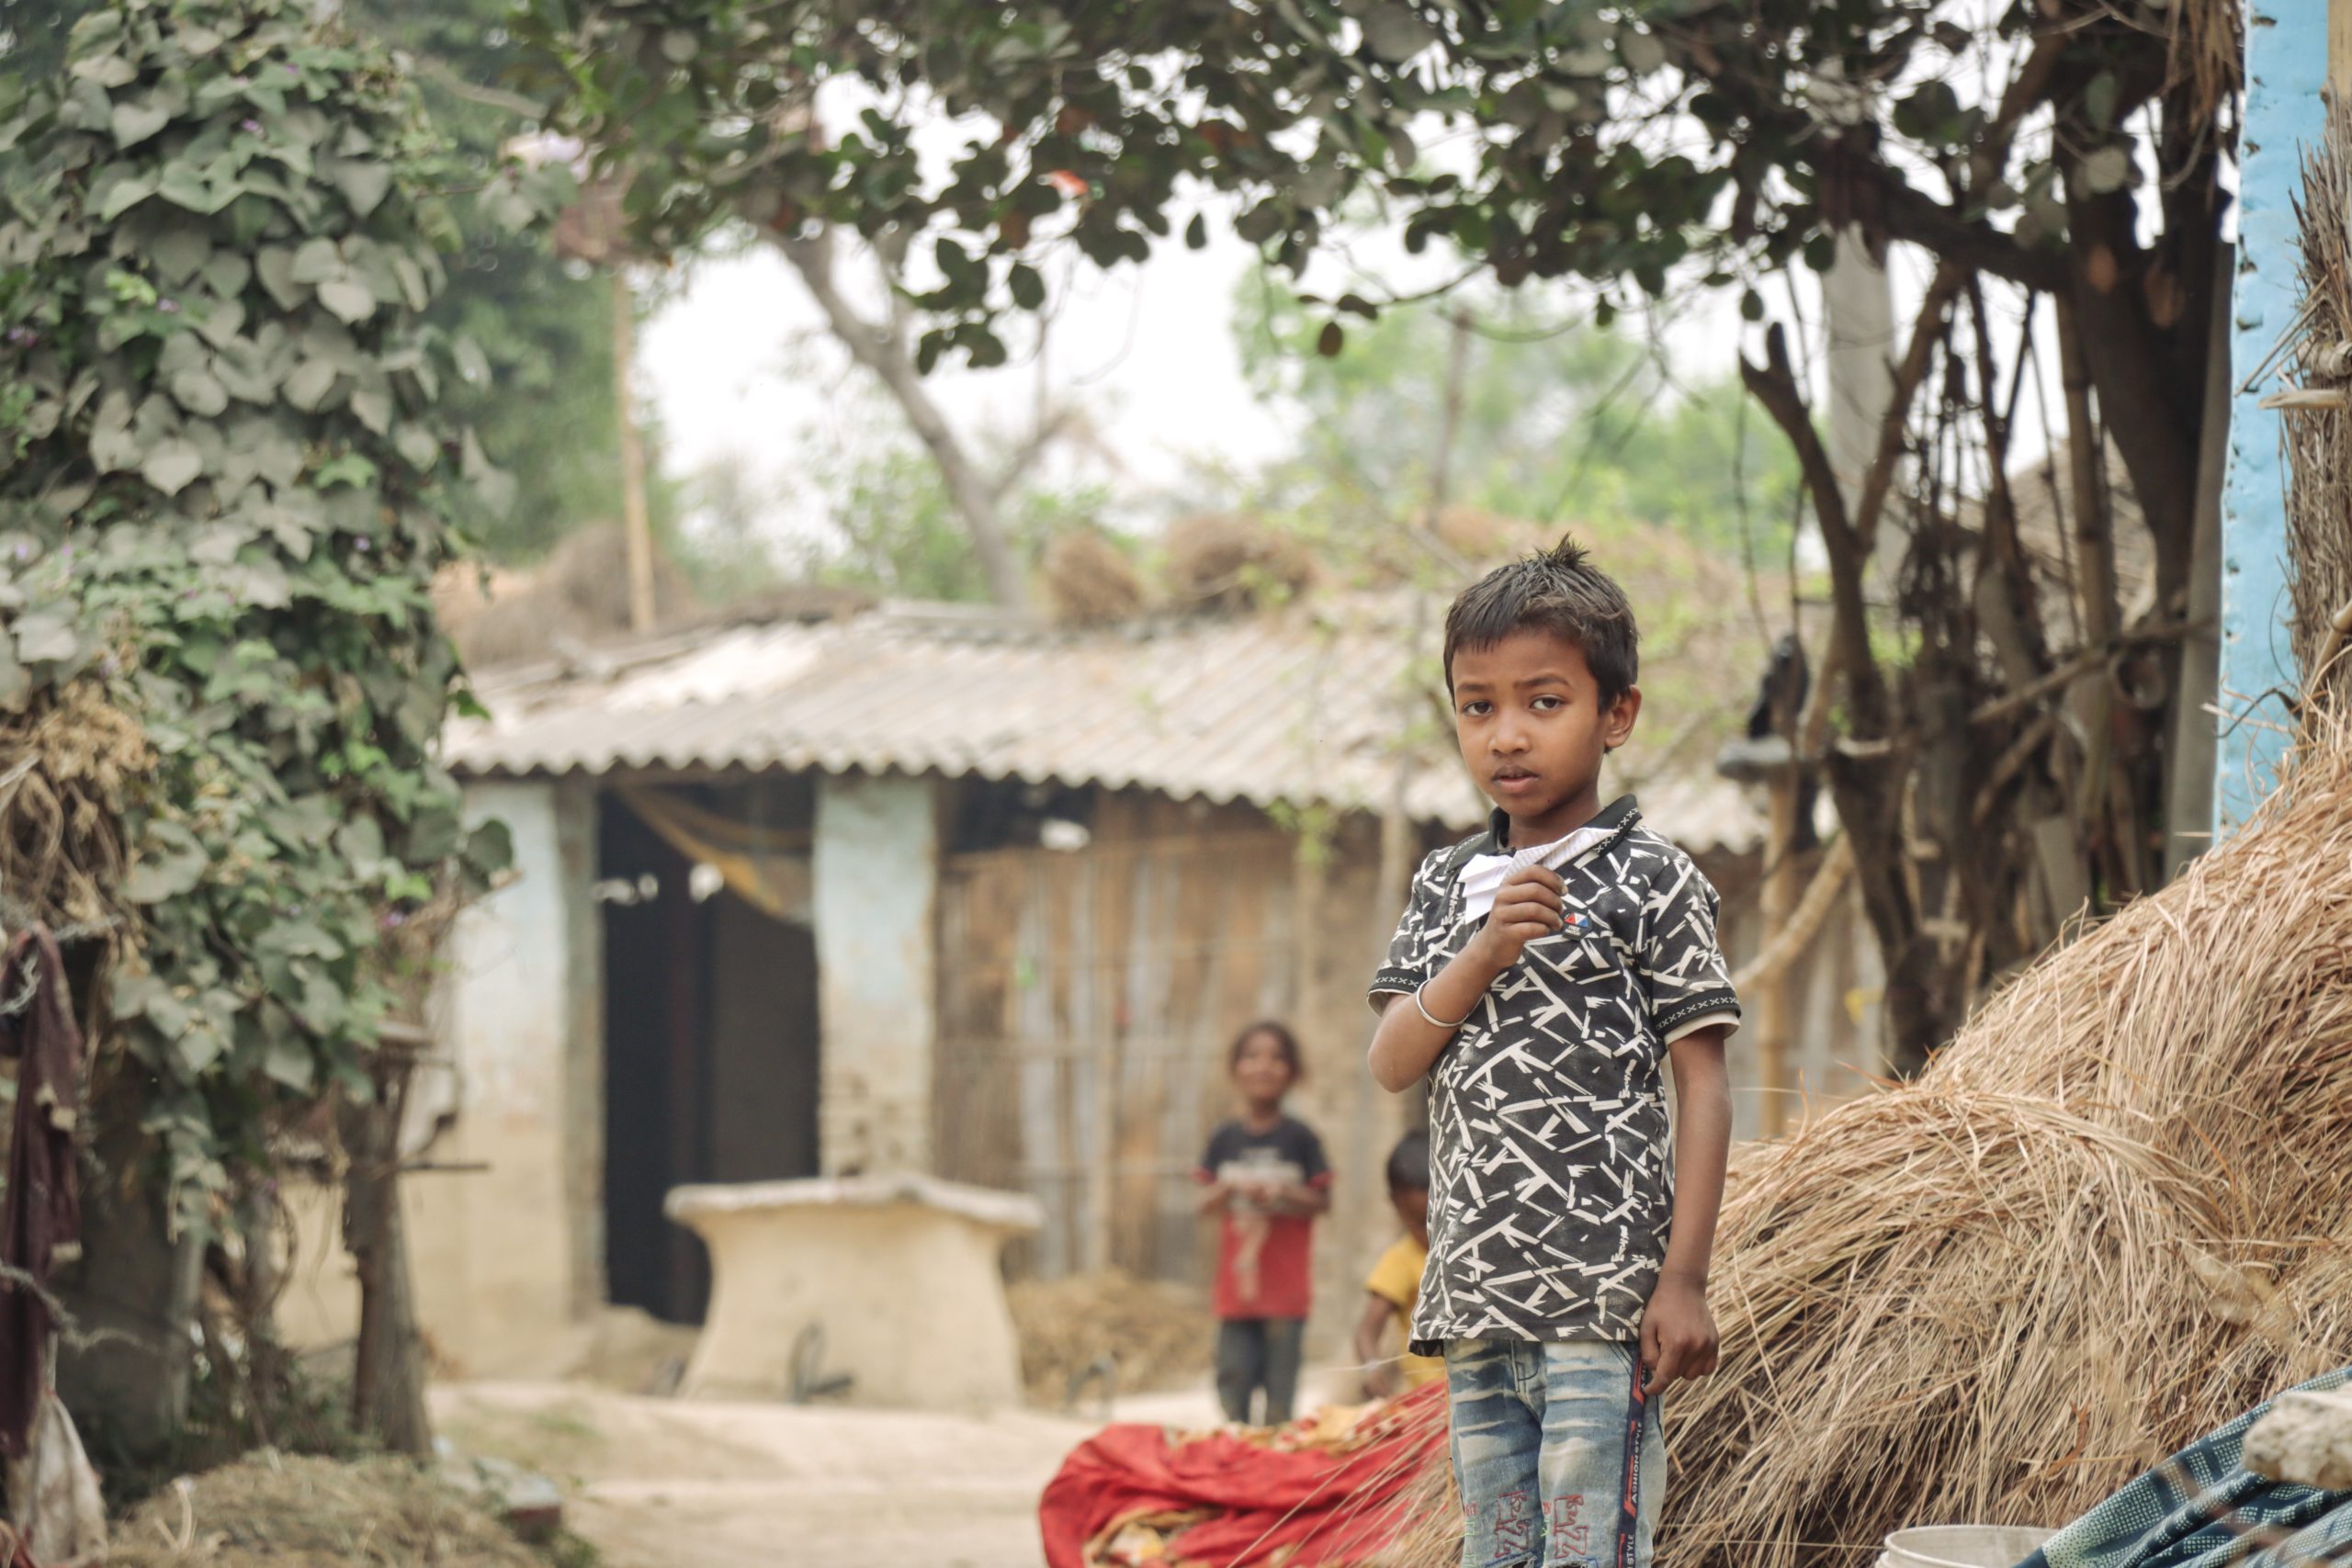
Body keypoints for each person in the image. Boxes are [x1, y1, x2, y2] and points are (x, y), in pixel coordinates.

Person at [1365, 536, 1738, 1568]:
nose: (1506, 736)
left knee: (1590, 1556)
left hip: (1600, 1302)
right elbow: (1393, 1060)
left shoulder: (1653, 879)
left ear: (1615, 714)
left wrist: (1684, 1281)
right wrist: (1482, 953)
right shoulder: (1447, 884)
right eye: (1477, 706)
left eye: (1543, 701)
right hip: (1474, 1299)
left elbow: (1702, 1086)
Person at [1195, 1021, 1330, 1426]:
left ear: (1292, 1071)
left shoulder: (1302, 1138)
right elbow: (1203, 1204)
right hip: (1235, 1294)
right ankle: (1237, 1472)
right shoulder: (1223, 1139)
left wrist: (1283, 1192)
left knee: (1279, 1403)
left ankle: (1270, 1478)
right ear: (1236, 1068)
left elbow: (1322, 1201)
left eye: (1276, 1057)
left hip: (1286, 1295)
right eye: (1252, 1056)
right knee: (1232, 1388)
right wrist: (1231, 1186)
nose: (1263, 1066)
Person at [1352, 1130, 1445, 1401]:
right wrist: (1371, 1368)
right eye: (1419, 1222)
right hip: (1427, 1405)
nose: (1430, 1232)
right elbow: (1367, 1330)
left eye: (1438, 1219)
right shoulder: (1402, 1259)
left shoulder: (1474, 1257)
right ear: (1394, 1203)